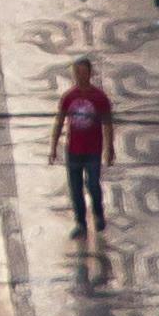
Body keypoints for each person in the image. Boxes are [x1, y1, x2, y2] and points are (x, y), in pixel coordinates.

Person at [55, 59, 115, 240]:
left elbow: (107, 124)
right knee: (75, 188)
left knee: (93, 185)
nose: (80, 76)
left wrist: (109, 148)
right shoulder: (69, 97)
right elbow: (59, 121)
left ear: (90, 73)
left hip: (93, 150)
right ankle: (80, 222)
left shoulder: (99, 98)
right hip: (73, 149)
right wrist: (53, 146)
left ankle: (98, 213)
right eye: (77, 73)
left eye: (83, 72)